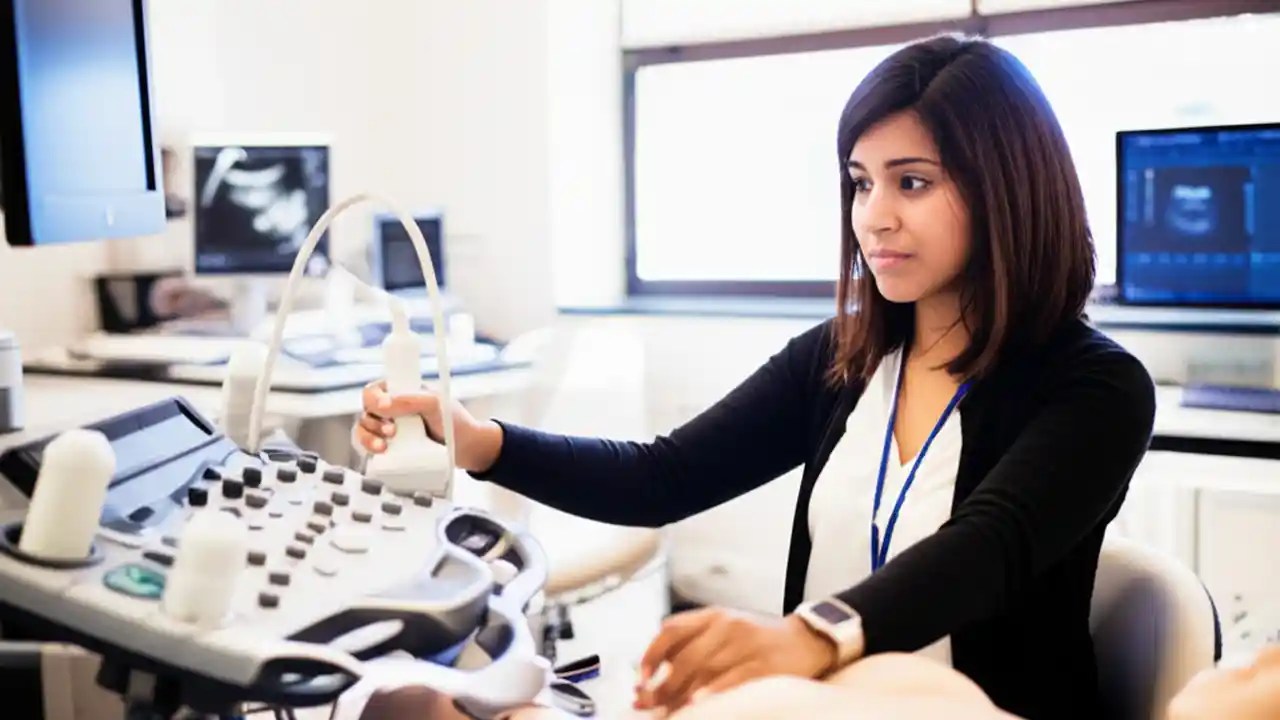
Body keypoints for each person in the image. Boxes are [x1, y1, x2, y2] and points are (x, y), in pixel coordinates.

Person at [355, 33, 1156, 719]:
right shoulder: (842, 359)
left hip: (948, 705)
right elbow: (663, 477)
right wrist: (481, 441)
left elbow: (985, 550)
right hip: (820, 702)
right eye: (861, 181)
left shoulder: (1097, 390)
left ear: (1008, 191)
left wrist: (807, 635)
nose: (874, 215)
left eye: (912, 182)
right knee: (419, 699)